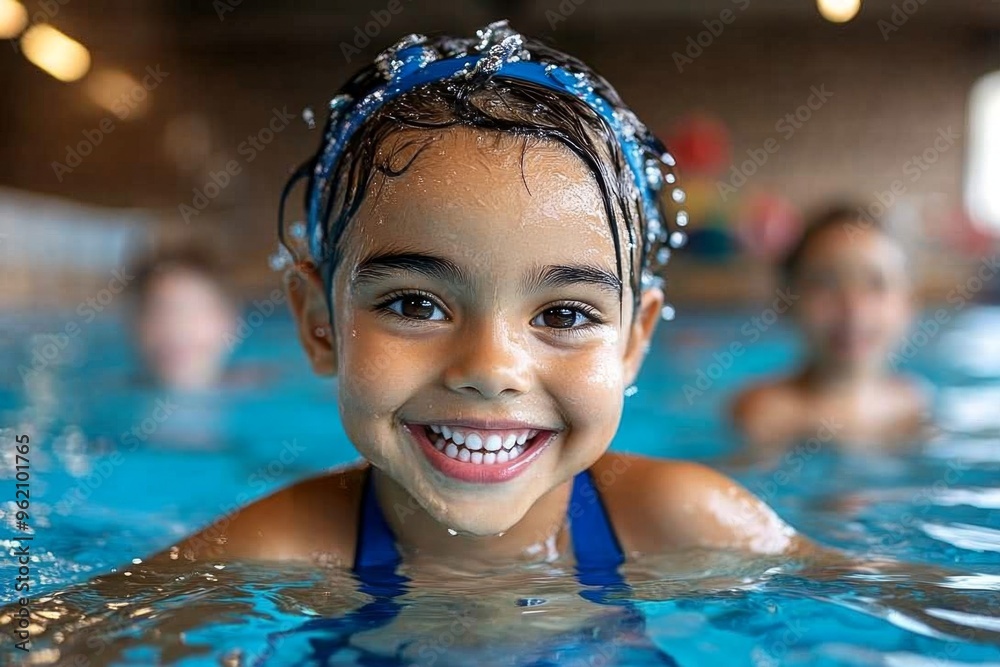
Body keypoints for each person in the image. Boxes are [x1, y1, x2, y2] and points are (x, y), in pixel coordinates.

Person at [159, 22, 805, 574]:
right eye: (415, 305)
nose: (491, 369)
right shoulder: (260, 558)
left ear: (634, 341)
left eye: (563, 314)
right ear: (318, 323)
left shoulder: (689, 524)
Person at [730, 204, 930, 459]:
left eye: (876, 283)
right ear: (785, 303)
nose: (853, 308)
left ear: (909, 302)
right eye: (825, 284)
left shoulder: (911, 403)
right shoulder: (767, 413)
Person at [128, 243, 238, 392]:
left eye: (195, 310)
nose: (177, 327)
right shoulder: (111, 392)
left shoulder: (259, 388)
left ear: (229, 321)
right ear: (135, 326)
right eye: (159, 311)